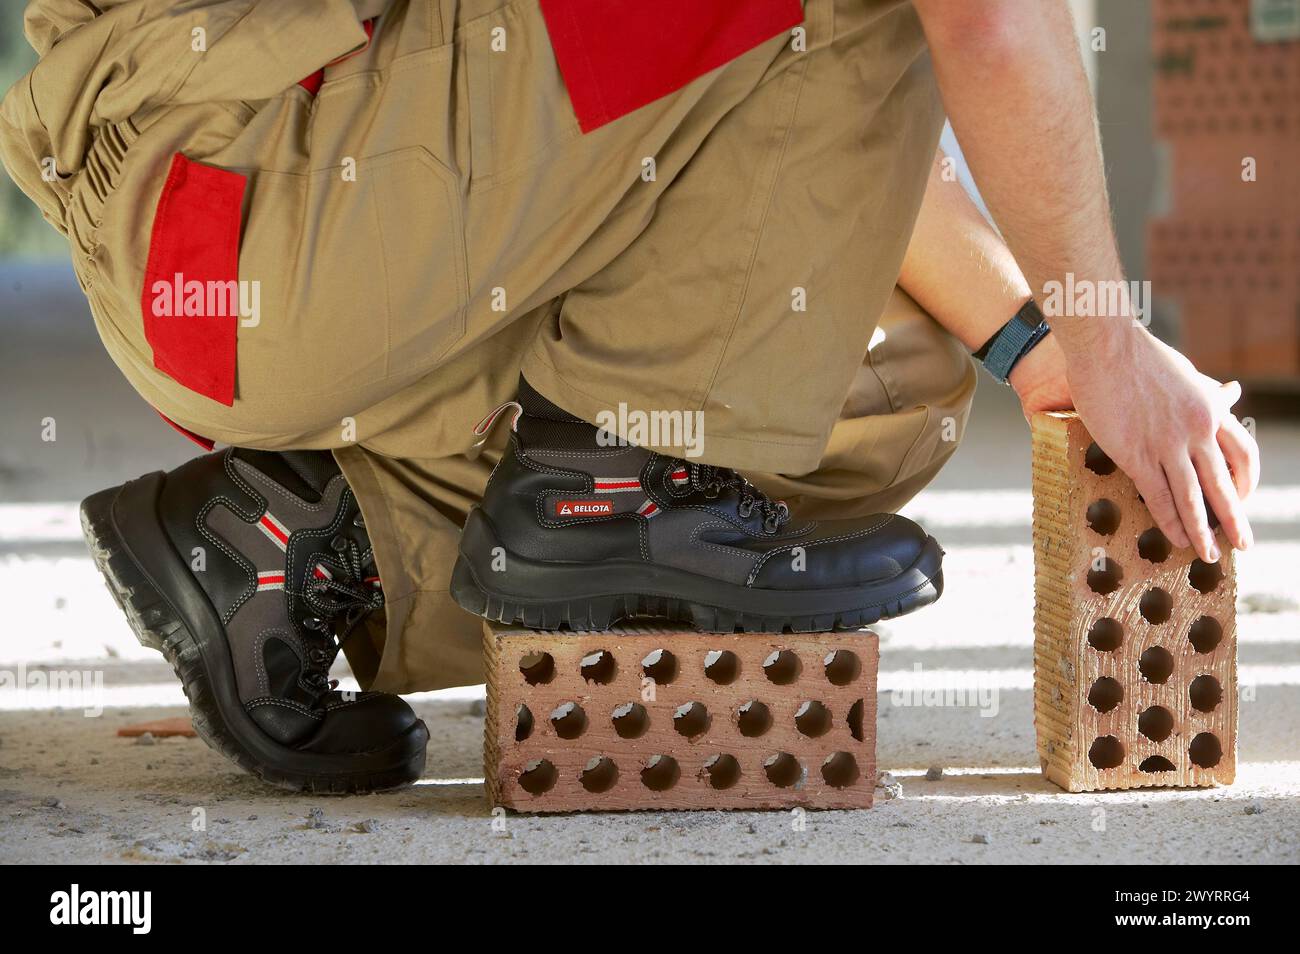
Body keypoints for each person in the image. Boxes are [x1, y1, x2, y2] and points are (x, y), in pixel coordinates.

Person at [0, 0, 1259, 792]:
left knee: (872, 379)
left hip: (273, 229)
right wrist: (1110, 341)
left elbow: (790, 97)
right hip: (242, 183)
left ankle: (304, 541)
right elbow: (964, 17)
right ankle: (598, 494)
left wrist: (1042, 351)